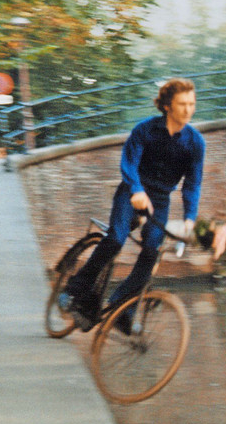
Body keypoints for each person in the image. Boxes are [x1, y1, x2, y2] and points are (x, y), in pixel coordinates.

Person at [60, 77, 206, 331]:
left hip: (159, 199)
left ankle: (122, 308)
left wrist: (189, 219)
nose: (188, 110)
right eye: (182, 104)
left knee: (152, 252)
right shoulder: (145, 130)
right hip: (132, 191)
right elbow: (128, 163)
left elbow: (192, 185)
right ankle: (75, 289)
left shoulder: (195, 143)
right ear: (167, 106)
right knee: (116, 238)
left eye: (192, 104)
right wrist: (137, 190)